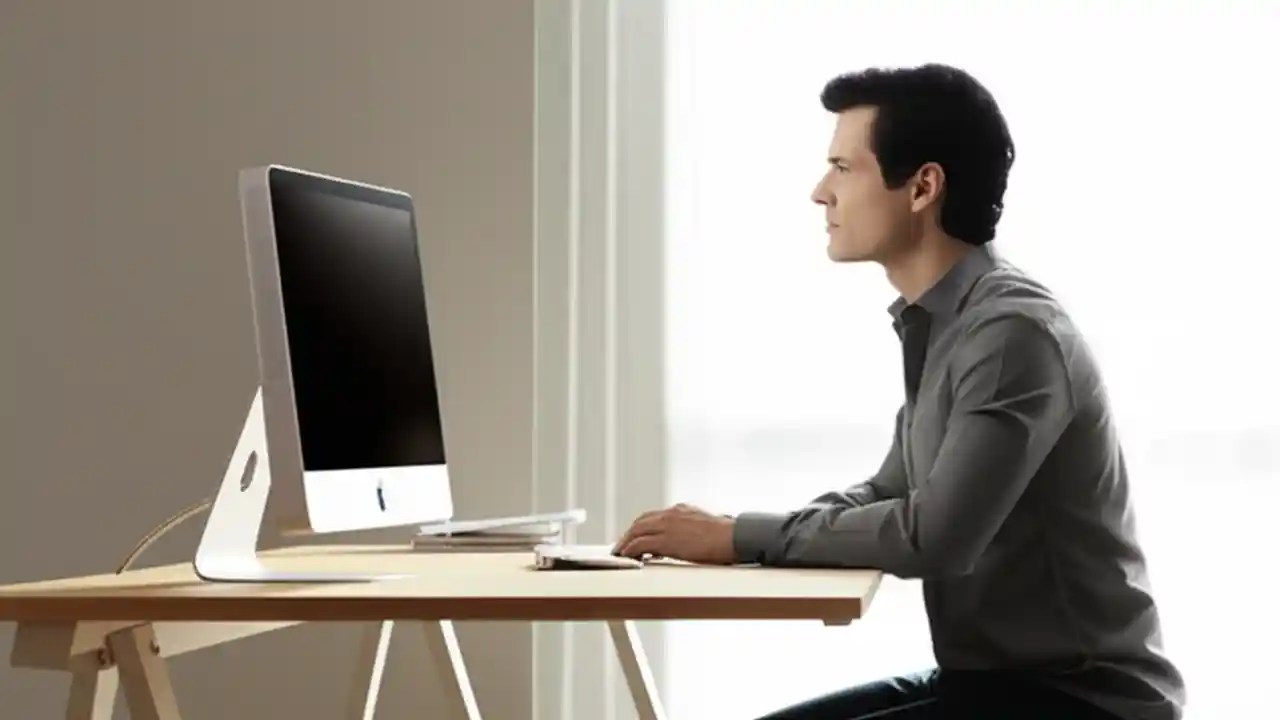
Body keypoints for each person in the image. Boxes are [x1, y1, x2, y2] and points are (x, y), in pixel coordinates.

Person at [612, 63, 1185, 720]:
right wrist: (736, 533)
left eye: (842, 167)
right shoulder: (947, 323)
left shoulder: (1011, 333)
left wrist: (741, 537)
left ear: (922, 187)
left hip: (1080, 702)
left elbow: (934, 536)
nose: (819, 192)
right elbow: (893, 491)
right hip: (992, 686)